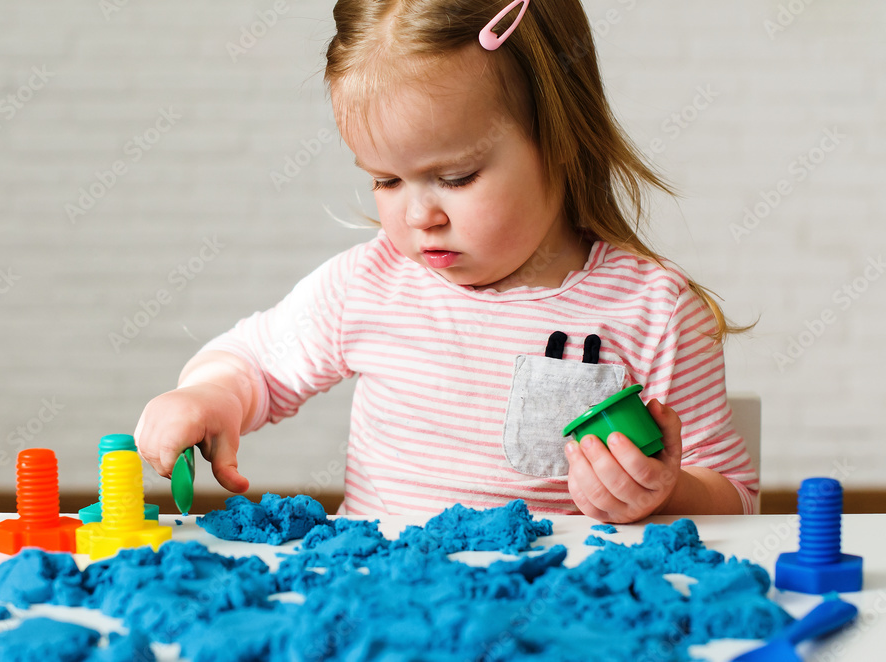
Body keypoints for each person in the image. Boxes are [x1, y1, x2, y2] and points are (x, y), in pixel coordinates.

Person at [136, 0, 758, 523]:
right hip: (385, 603)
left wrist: (665, 492)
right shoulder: (371, 283)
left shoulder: (654, 309)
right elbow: (255, 364)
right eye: (386, 181)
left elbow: (735, 495)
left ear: (562, 142)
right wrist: (209, 395)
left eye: (456, 177)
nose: (418, 216)